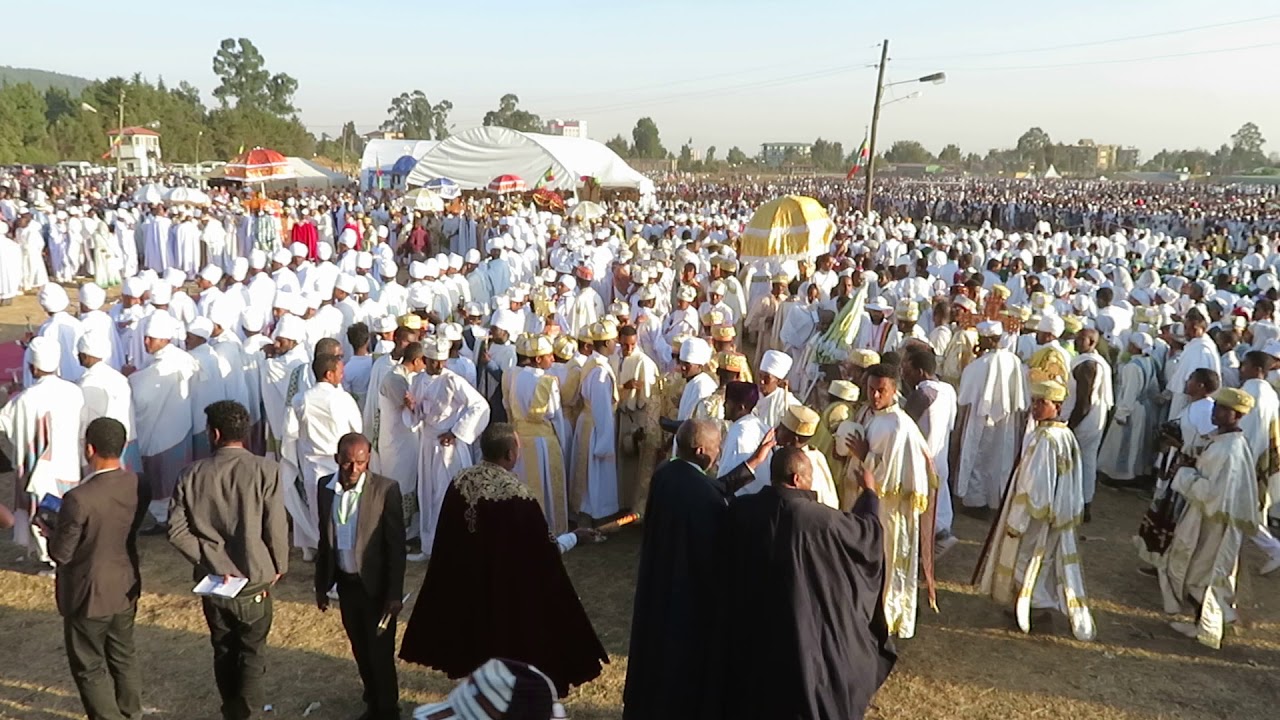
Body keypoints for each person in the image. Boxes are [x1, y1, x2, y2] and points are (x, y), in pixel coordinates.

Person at [399, 423, 608, 698]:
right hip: (503, 598)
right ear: (510, 453)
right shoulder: (519, 496)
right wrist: (574, 538)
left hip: (465, 591)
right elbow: (543, 552)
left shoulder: (460, 481)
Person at [705, 446, 896, 720]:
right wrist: (870, 495)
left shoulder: (742, 511)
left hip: (751, 635)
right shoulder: (822, 519)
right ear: (797, 479)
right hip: (805, 638)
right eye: (810, 477)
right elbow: (867, 537)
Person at [624, 419, 772, 720]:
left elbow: (713, 488)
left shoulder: (667, 474)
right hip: (687, 592)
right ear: (702, 450)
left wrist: (753, 462)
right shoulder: (703, 496)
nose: (719, 454)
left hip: (658, 582)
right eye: (717, 447)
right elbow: (715, 507)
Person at [168, 400, 289, 720]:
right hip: (254, 578)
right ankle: (248, 713)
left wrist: (209, 560)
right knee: (251, 652)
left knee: (223, 648)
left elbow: (176, 531)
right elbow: (275, 524)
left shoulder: (191, 474)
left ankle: (232, 711)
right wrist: (279, 566)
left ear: (214, 433)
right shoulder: (266, 470)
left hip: (214, 582)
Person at [975, 380, 1095, 641]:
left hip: (1037, 517)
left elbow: (1036, 488)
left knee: (1026, 561)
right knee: (1043, 562)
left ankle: (1038, 610)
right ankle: (1029, 606)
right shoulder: (1064, 436)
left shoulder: (1046, 440)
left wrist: (1018, 520)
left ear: (1058, 406)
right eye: (1035, 402)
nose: (1036, 407)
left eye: (1043, 403)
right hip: (1056, 516)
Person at [46, 418, 147, 720]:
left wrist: (51, 531)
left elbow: (62, 554)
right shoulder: (140, 484)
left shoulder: (79, 499)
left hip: (88, 593)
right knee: (123, 656)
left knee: (89, 666)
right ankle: (131, 714)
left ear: (89, 449)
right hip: (124, 583)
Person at [1158, 387, 1260, 648]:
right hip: (1205, 517)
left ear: (1236, 415)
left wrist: (1183, 474)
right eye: (1216, 407)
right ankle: (1199, 621)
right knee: (1195, 568)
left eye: (1222, 410)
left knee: (1202, 573)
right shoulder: (1223, 442)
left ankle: (1209, 624)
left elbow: (1211, 492)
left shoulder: (1231, 450)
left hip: (1214, 524)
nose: (1215, 413)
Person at [314, 433, 406, 720]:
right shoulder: (324, 488)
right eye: (347, 463)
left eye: (360, 463)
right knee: (360, 649)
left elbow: (396, 547)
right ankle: (372, 703)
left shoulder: (385, 490)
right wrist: (321, 585)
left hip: (376, 589)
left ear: (368, 461)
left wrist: (394, 593)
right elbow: (324, 540)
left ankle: (388, 710)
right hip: (346, 584)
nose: (353, 470)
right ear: (336, 460)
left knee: (380, 654)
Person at [845, 363, 936, 638]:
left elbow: (891, 477)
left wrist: (865, 457)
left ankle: (885, 618)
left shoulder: (898, 425)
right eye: (871, 389)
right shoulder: (875, 417)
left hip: (891, 511)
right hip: (872, 505)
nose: (874, 396)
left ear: (894, 390)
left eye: (881, 390)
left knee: (887, 562)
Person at [0, 337, 87, 573]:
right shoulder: (73, 391)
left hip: (38, 468)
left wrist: (11, 395)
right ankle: (68, 553)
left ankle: (52, 559)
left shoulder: (26, 399)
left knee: (42, 513)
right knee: (68, 510)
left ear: (33, 367)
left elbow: (5, 424)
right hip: (68, 463)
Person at [404, 337, 490, 555]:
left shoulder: (452, 380)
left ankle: (454, 545)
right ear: (425, 360)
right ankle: (431, 544)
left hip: (447, 447)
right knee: (428, 492)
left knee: (447, 492)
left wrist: (456, 432)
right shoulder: (416, 381)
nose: (439, 366)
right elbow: (416, 417)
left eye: (442, 361)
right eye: (434, 361)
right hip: (427, 444)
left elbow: (479, 405)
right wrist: (412, 408)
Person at [281, 352, 363, 559]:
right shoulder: (343, 399)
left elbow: (289, 433)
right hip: (343, 467)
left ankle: (327, 561)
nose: (342, 377)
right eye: (340, 373)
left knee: (321, 519)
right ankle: (344, 561)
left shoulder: (300, 400)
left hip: (313, 467)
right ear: (329, 374)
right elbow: (357, 431)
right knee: (345, 516)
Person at [128, 313, 197, 532]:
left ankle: (163, 518)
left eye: (151, 338)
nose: (146, 342)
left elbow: (143, 395)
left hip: (162, 428)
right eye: (146, 337)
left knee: (162, 474)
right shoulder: (179, 358)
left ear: (165, 339)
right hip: (178, 425)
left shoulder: (163, 365)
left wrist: (130, 378)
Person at [955, 321, 1029, 514]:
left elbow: (965, 396)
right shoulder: (1014, 361)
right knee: (1000, 458)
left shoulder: (979, 365)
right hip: (1006, 421)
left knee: (978, 458)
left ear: (988, 339)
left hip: (980, 418)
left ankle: (976, 502)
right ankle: (996, 499)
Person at [901, 347, 959, 553]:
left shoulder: (924, 393)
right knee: (939, 503)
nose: (904, 375)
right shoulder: (948, 390)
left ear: (920, 372)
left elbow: (904, 423)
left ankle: (929, 545)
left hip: (923, 458)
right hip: (940, 457)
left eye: (907, 371)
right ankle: (940, 536)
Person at [570, 322, 620, 521]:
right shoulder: (599, 372)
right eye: (614, 340)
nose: (616, 343)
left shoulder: (591, 362)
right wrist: (605, 442)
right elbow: (603, 410)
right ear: (607, 342)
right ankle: (594, 514)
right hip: (596, 428)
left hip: (587, 422)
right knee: (595, 476)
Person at [1063, 328, 1113, 520]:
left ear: (1092, 342)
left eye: (1081, 339)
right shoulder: (1098, 362)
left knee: (1077, 462)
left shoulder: (1088, 364)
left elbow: (1084, 400)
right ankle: (1084, 503)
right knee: (1087, 462)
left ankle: (1077, 504)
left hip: (1085, 420)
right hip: (1095, 418)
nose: (1076, 342)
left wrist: (1071, 424)